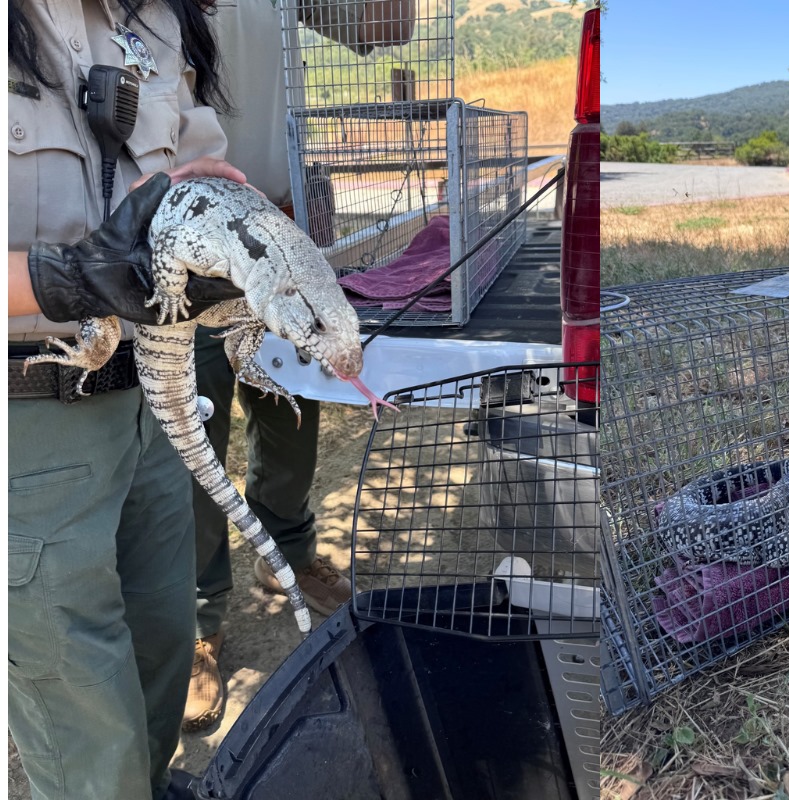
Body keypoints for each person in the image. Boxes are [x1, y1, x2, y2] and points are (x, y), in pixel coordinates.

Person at [7, 1, 246, 797]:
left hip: (151, 404)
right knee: (86, 733)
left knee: (160, 665)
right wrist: (49, 278)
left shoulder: (156, 19)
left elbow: (201, 174)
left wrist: (234, 249)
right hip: (29, 420)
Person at [183, 0, 414, 733]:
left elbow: (386, 29)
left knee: (291, 401)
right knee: (195, 433)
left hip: (280, 221)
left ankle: (285, 546)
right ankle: (196, 617)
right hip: (186, 226)